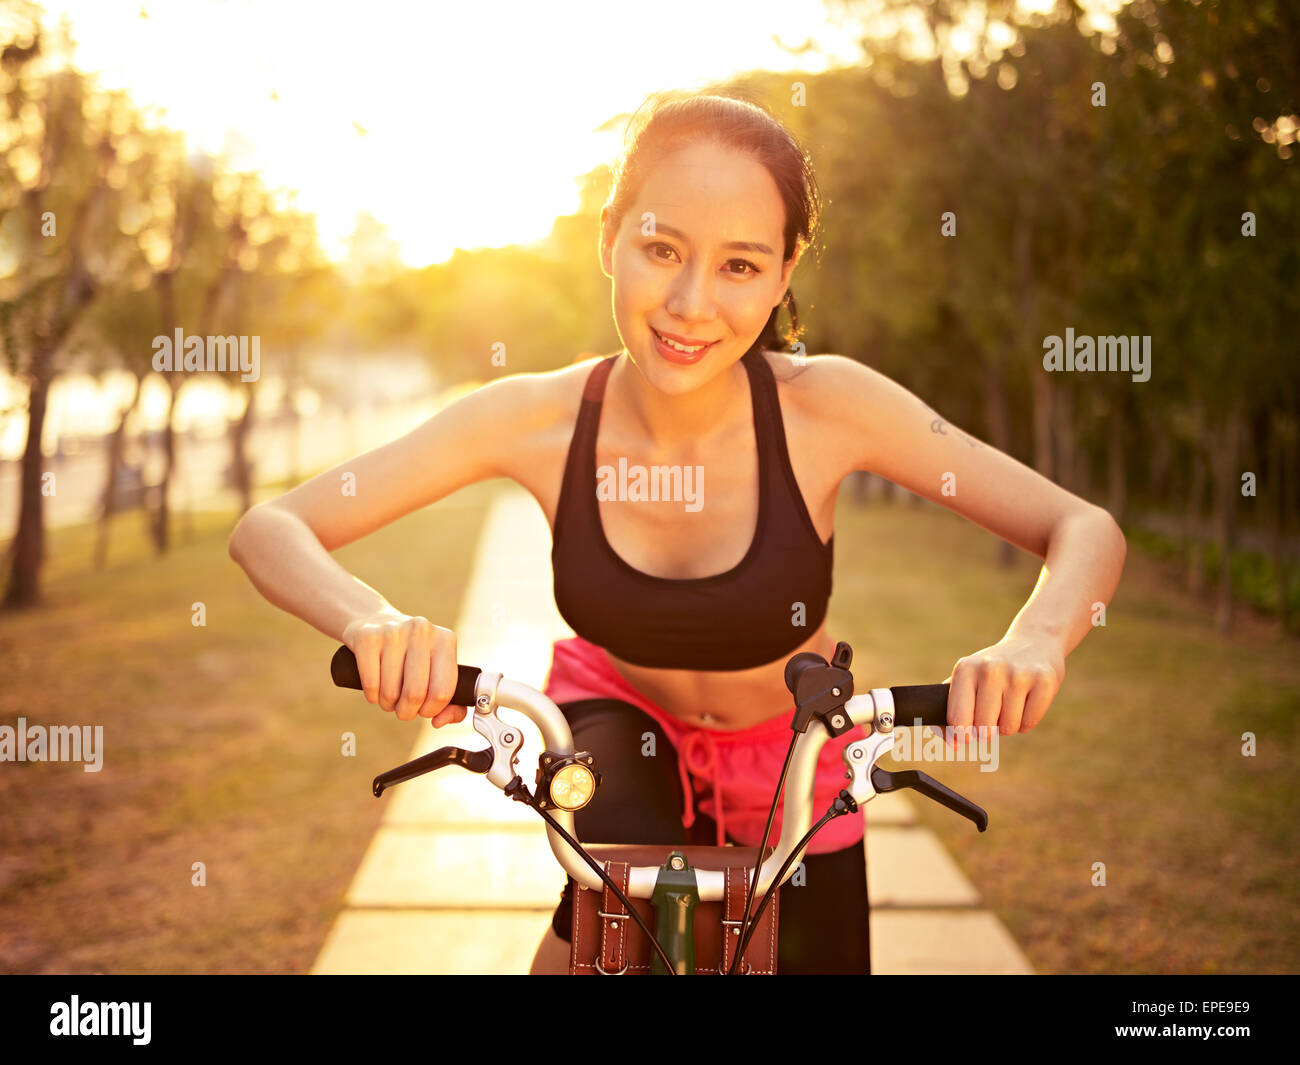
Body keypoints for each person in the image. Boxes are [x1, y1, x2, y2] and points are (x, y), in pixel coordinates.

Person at [228, 89, 1126, 976]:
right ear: (609, 240)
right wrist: (373, 619)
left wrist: (1036, 639)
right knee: (614, 931)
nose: (691, 303)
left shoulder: (830, 407)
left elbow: (1081, 527)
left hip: (796, 762)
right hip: (616, 729)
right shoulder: (534, 418)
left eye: (740, 265)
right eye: (662, 248)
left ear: (783, 273)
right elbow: (273, 528)